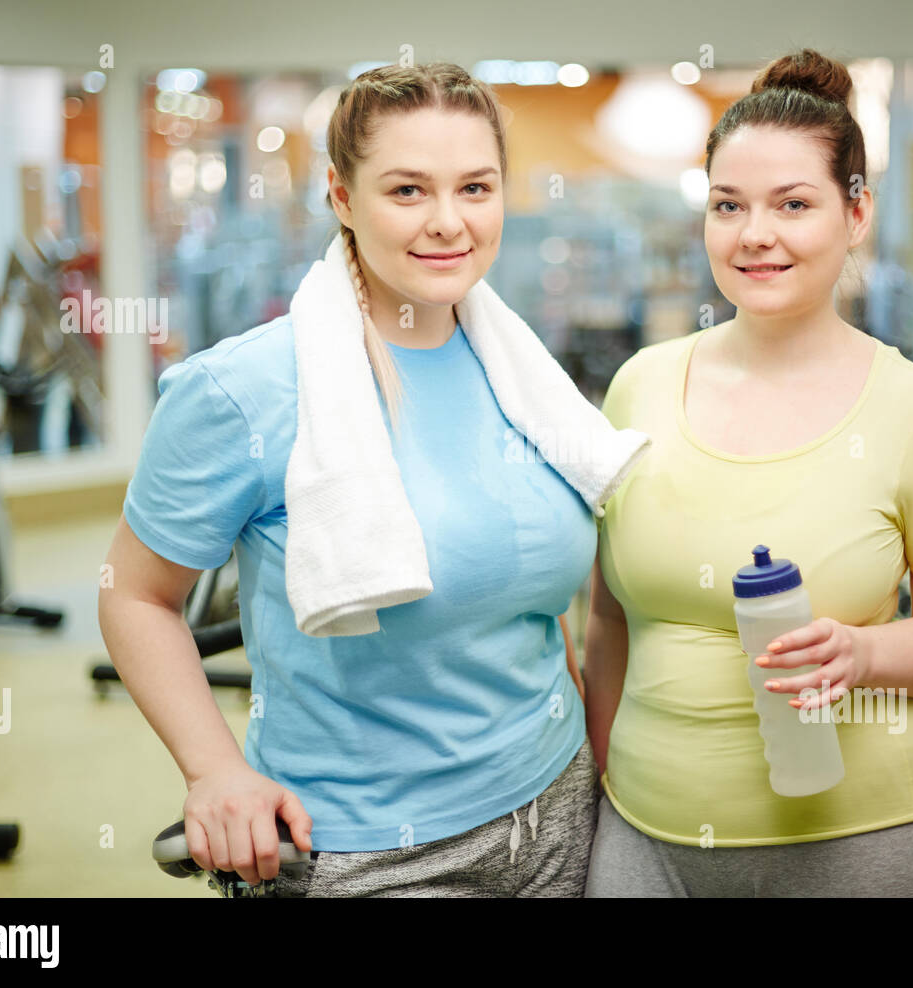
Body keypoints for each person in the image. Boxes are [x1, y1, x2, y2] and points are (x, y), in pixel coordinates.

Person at [98, 63, 618, 898]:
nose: (449, 222)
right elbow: (133, 596)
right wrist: (213, 770)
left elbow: (532, 593)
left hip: (559, 809)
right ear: (342, 196)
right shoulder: (244, 390)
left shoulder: (519, 368)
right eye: (407, 190)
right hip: (370, 851)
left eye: (476, 188)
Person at [582, 49, 913, 897]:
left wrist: (864, 652)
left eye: (793, 204)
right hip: (644, 836)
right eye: (728, 205)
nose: (755, 235)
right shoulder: (639, 386)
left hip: (866, 837)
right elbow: (606, 620)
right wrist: (607, 787)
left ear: (856, 214)